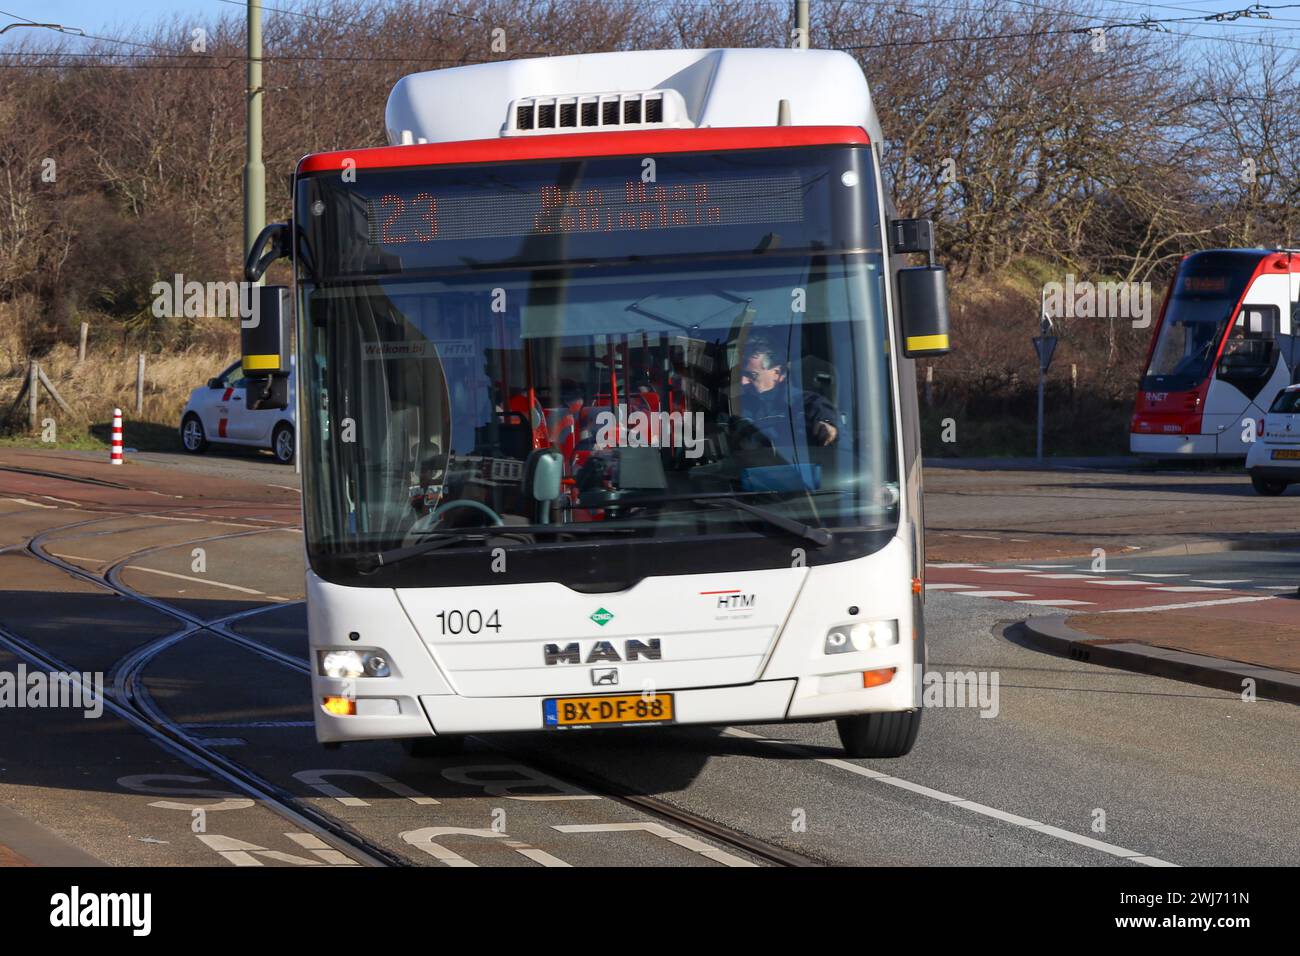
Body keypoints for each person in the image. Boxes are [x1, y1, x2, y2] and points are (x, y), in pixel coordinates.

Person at [736, 336, 839, 451]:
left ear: (777, 373)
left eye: (752, 375)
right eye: (742, 374)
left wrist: (829, 429)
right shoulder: (736, 405)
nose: (743, 381)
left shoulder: (810, 404)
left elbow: (836, 437)